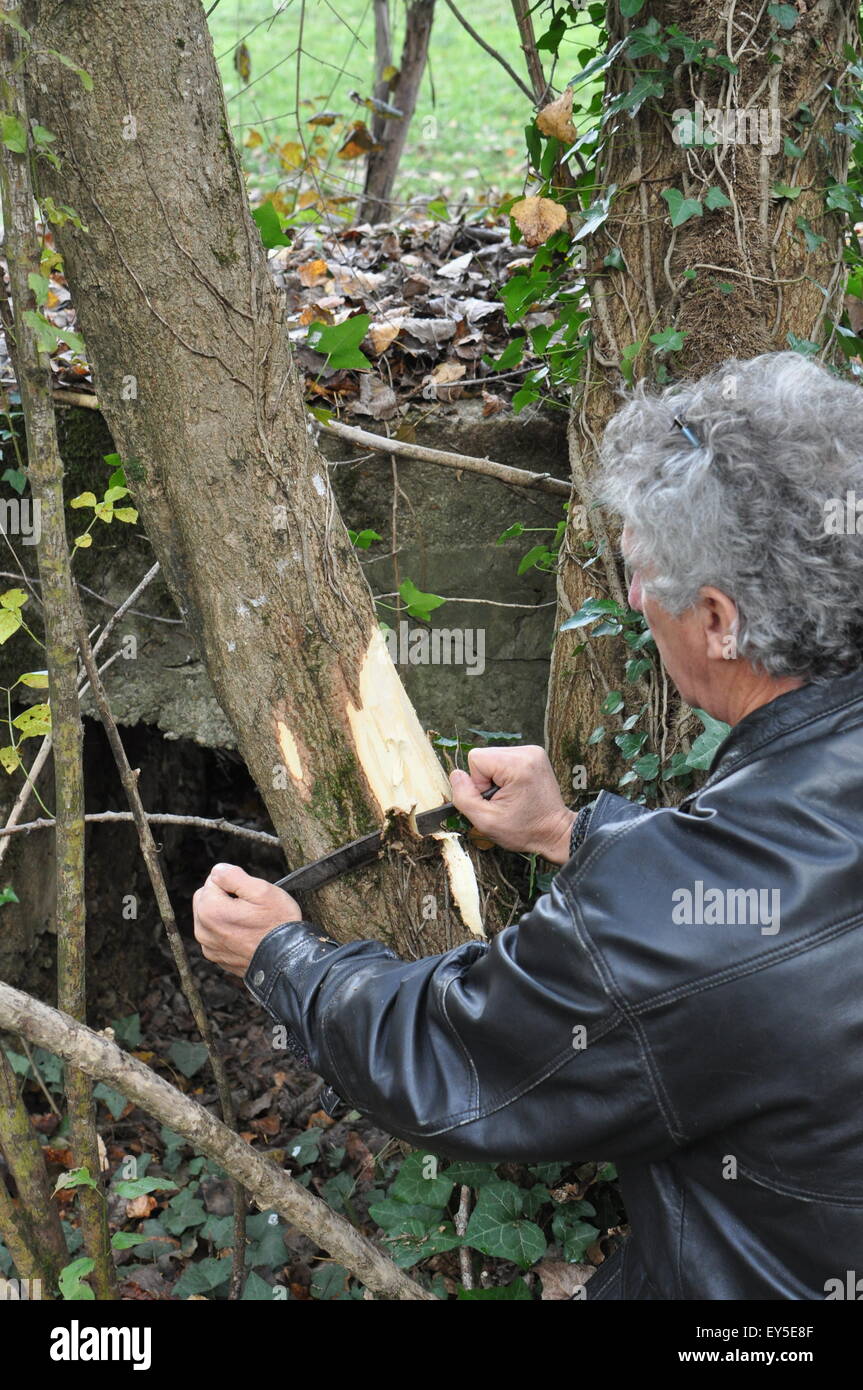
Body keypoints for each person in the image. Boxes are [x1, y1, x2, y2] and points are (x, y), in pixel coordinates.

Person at [193, 351, 863, 1299]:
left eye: (643, 578)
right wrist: (575, 835)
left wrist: (284, 958)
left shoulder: (670, 930)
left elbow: (450, 1057)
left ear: (718, 619)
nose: (632, 601)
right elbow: (779, 898)